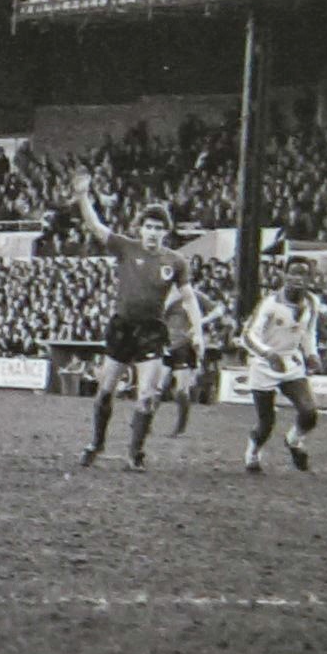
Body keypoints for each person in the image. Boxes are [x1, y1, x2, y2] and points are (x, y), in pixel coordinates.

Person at [72, 177, 190, 471]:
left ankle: (135, 452)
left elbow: (188, 298)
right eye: (148, 226)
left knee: (148, 393)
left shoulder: (175, 261)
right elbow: (96, 227)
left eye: (158, 227)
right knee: (106, 390)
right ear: (141, 228)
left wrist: (196, 331)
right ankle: (97, 442)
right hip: (122, 328)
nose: (152, 232)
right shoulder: (126, 247)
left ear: (166, 231)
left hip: (152, 331)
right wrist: (83, 196)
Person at [241, 258, 324, 474]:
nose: (297, 279)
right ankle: (253, 452)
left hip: (291, 363)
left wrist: (312, 354)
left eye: (302, 274)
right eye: (293, 274)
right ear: (284, 276)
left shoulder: (312, 302)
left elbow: (308, 332)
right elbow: (248, 335)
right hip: (263, 366)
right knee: (266, 423)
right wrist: (268, 354)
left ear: (309, 278)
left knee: (309, 412)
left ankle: (294, 441)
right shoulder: (270, 304)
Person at [158, 277, 219, 434]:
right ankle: (146, 421)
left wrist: (200, 322)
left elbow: (219, 310)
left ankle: (180, 426)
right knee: (158, 387)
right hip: (168, 344)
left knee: (181, 389)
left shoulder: (194, 296)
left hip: (185, 345)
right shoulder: (166, 297)